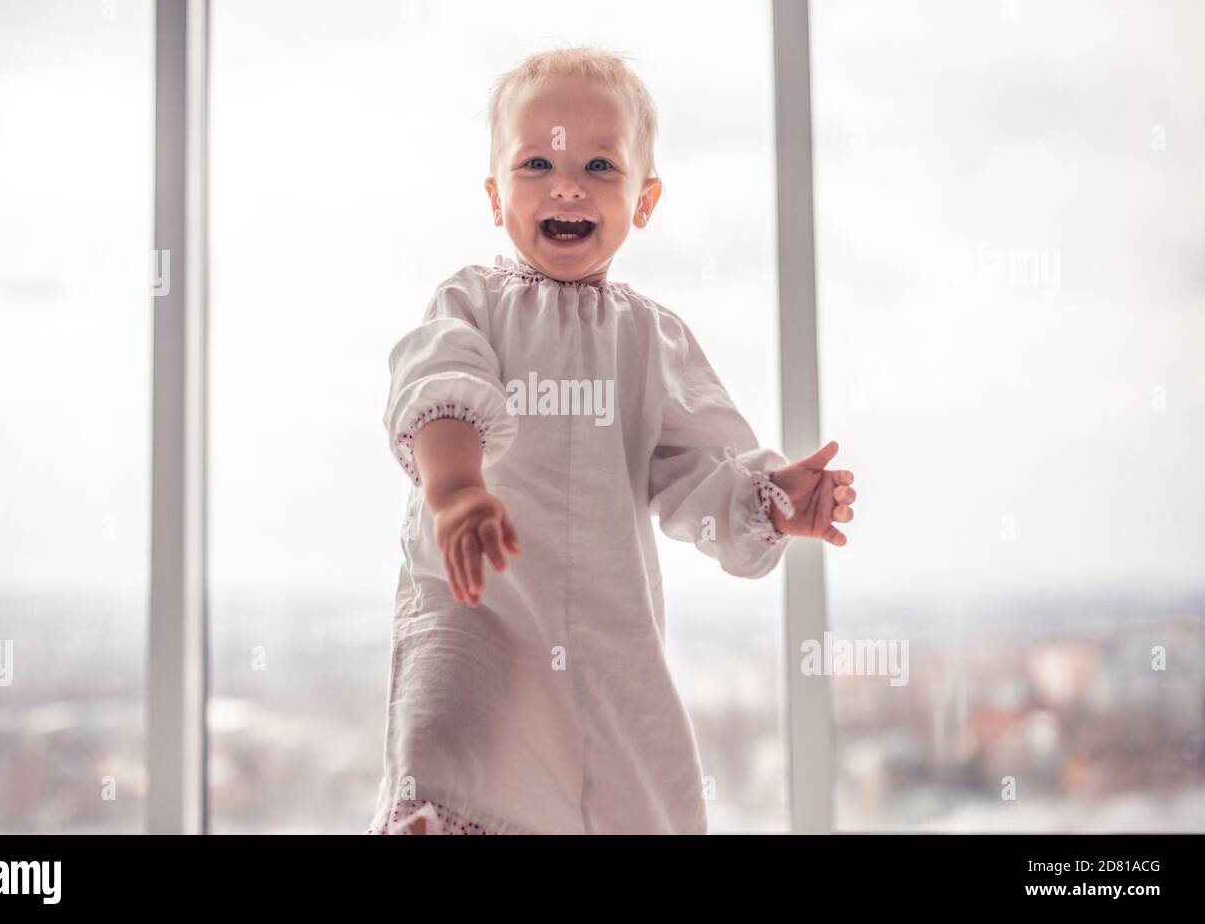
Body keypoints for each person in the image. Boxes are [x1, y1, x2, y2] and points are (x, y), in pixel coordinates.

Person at [366, 45, 857, 835]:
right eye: (536, 163)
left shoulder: (649, 339)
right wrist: (456, 491)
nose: (567, 184)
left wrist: (769, 500)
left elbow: (701, 471)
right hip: (478, 614)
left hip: (606, 638)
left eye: (600, 165)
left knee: (630, 789)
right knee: (448, 752)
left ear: (645, 196)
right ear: (495, 196)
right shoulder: (474, 301)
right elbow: (441, 387)